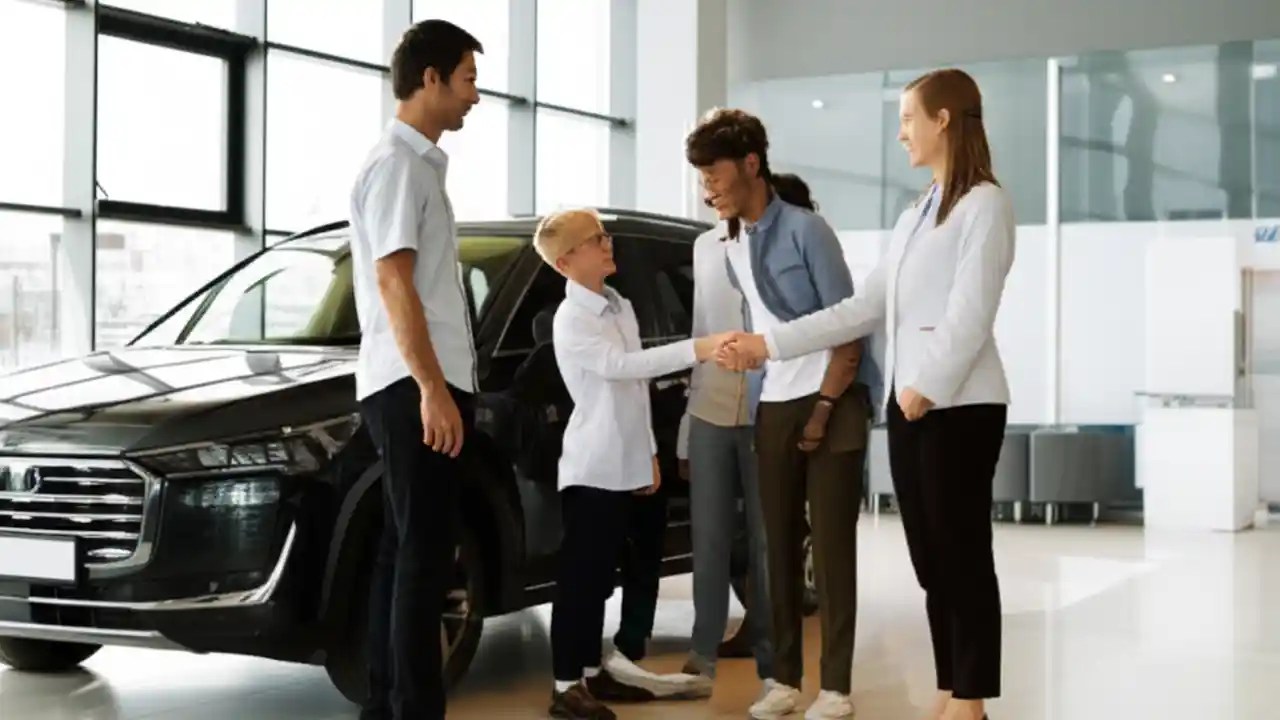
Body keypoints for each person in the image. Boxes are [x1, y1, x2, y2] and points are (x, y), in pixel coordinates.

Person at [719, 68, 1015, 720]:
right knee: (930, 559)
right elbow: (862, 308)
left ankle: (972, 695)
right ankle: (950, 682)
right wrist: (771, 345)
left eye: (909, 117)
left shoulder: (985, 205)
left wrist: (925, 388)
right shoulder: (916, 213)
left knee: (962, 550)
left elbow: (972, 314)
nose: (902, 131)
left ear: (943, 119)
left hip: (959, 406)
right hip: (911, 408)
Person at [686, 109, 878, 720]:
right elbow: (768, 327)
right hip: (775, 404)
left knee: (832, 548)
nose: (706, 188)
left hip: (832, 400)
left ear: (750, 164)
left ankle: (838, 688)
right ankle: (785, 681)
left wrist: (824, 406)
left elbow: (850, 328)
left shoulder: (807, 231)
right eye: (699, 178)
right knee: (777, 551)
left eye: (712, 174)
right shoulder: (732, 243)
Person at [533, 208, 732, 720]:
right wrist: (698, 348)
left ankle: (593, 673)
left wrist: (647, 455)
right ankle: (565, 685)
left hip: (625, 461)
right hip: (594, 464)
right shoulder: (572, 318)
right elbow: (621, 369)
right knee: (580, 578)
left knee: (602, 576)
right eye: (594, 239)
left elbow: (637, 392)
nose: (606, 243)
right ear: (566, 261)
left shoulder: (617, 305)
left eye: (603, 235)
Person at [347, 19, 483, 720]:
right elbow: (396, 284)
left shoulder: (417, 166)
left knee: (403, 554)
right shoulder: (399, 167)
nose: (475, 97)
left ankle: (386, 705)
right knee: (424, 560)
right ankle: (413, 710)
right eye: (466, 80)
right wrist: (433, 388)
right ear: (428, 79)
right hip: (411, 385)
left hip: (408, 383)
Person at [674, 171, 828, 687]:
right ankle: (702, 653)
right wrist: (683, 430)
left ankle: (771, 664)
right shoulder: (704, 246)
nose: (710, 190)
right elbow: (700, 331)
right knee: (709, 538)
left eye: (716, 178)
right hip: (711, 409)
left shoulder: (786, 239)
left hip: (771, 405)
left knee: (770, 541)